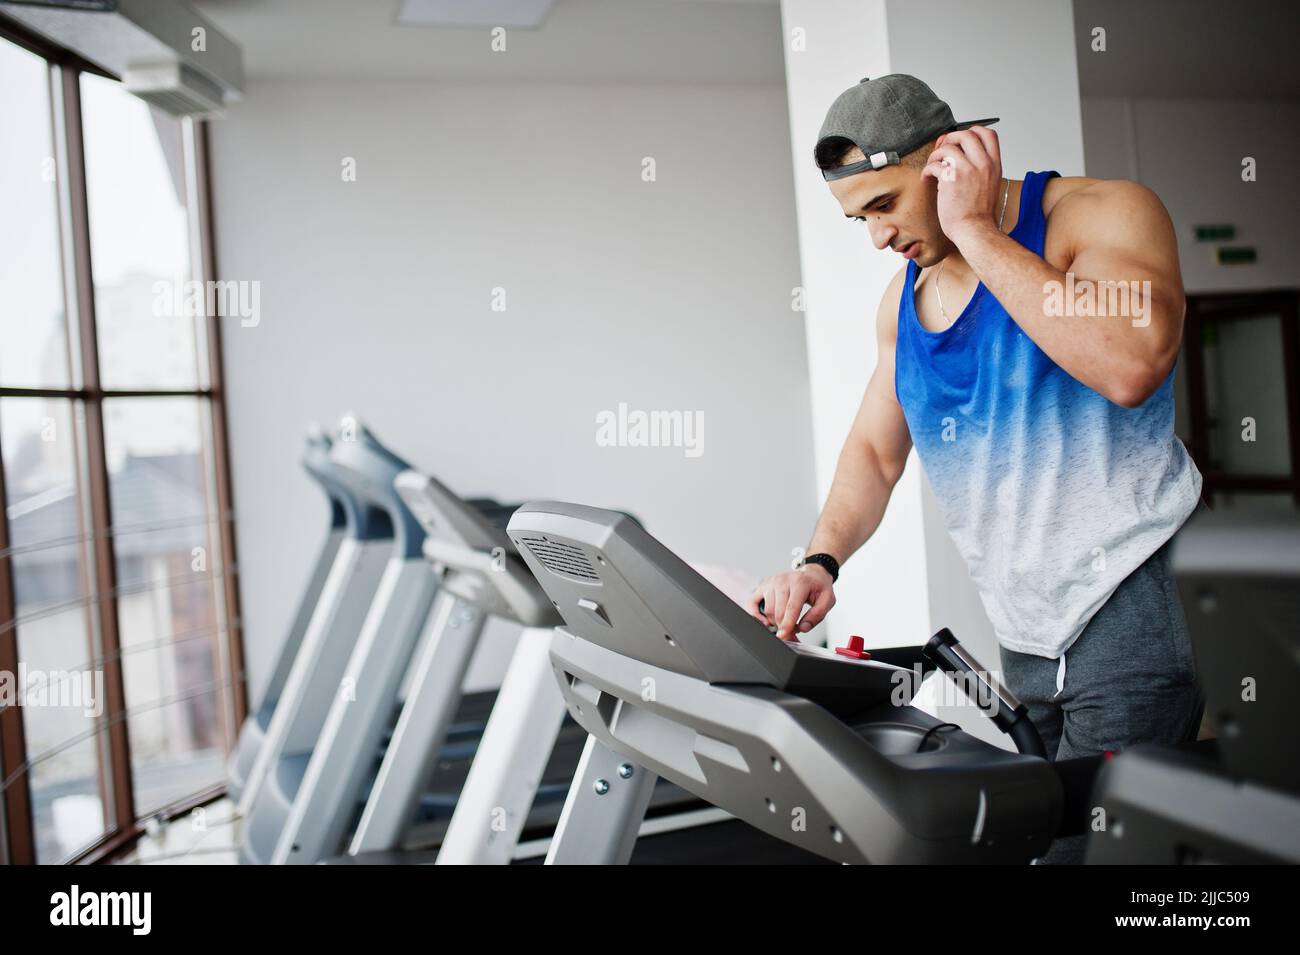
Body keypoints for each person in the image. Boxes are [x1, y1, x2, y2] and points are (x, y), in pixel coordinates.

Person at [745, 75, 1204, 863]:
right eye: (859, 218)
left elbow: (1133, 364)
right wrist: (820, 560)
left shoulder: (1101, 214)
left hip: (1133, 605)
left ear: (947, 159)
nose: (876, 238)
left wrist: (979, 231)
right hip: (1026, 636)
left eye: (884, 205)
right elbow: (874, 452)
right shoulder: (904, 303)